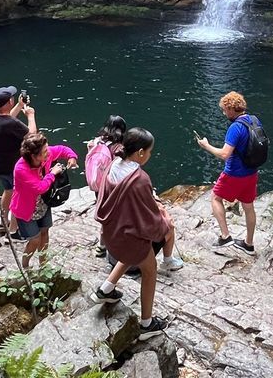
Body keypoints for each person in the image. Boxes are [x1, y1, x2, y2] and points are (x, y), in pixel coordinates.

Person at [93, 128, 183, 340]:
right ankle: (147, 324)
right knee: (150, 271)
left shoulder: (113, 165)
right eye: (150, 151)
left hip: (112, 232)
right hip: (129, 237)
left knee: (135, 255)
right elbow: (149, 219)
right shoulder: (140, 178)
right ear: (141, 152)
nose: (150, 155)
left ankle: (106, 290)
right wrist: (165, 224)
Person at [195, 91, 262, 255]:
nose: (224, 113)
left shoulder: (236, 127)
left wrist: (206, 145)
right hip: (251, 172)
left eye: (225, 110)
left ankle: (225, 236)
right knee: (248, 207)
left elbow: (225, 154)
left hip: (234, 173)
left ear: (232, 109)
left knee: (216, 198)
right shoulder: (254, 120)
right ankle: (249, 244)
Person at [11, 133, 77, 268]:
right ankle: (25, 265)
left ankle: (43, 263)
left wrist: (72, 156)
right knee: (34, 240)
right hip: (26, 208)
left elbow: (62, 149)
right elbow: (39, 188)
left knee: (45, 232)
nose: (48, 153)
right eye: (44, 151)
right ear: (34, 156)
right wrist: (53, 173)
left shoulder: (45, 155)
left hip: (43, 204)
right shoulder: (21, 169)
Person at [0, 85, 37, 240]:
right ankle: (14, 230)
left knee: (8, 191)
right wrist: (30, 115)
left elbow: (9, 116)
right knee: (18, 194)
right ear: (9, 101)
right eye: (13, 99)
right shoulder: (9, 123)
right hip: (13, 167)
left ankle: (3, 222)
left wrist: (20, 105)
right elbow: (32, 135)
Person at [86, 115, 128, 258]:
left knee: (105, 217)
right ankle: (110, 247)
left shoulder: (96, 142)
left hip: (99, 186)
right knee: (115, 218)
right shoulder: (119, 148)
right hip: (112, 188)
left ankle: (101, 247)